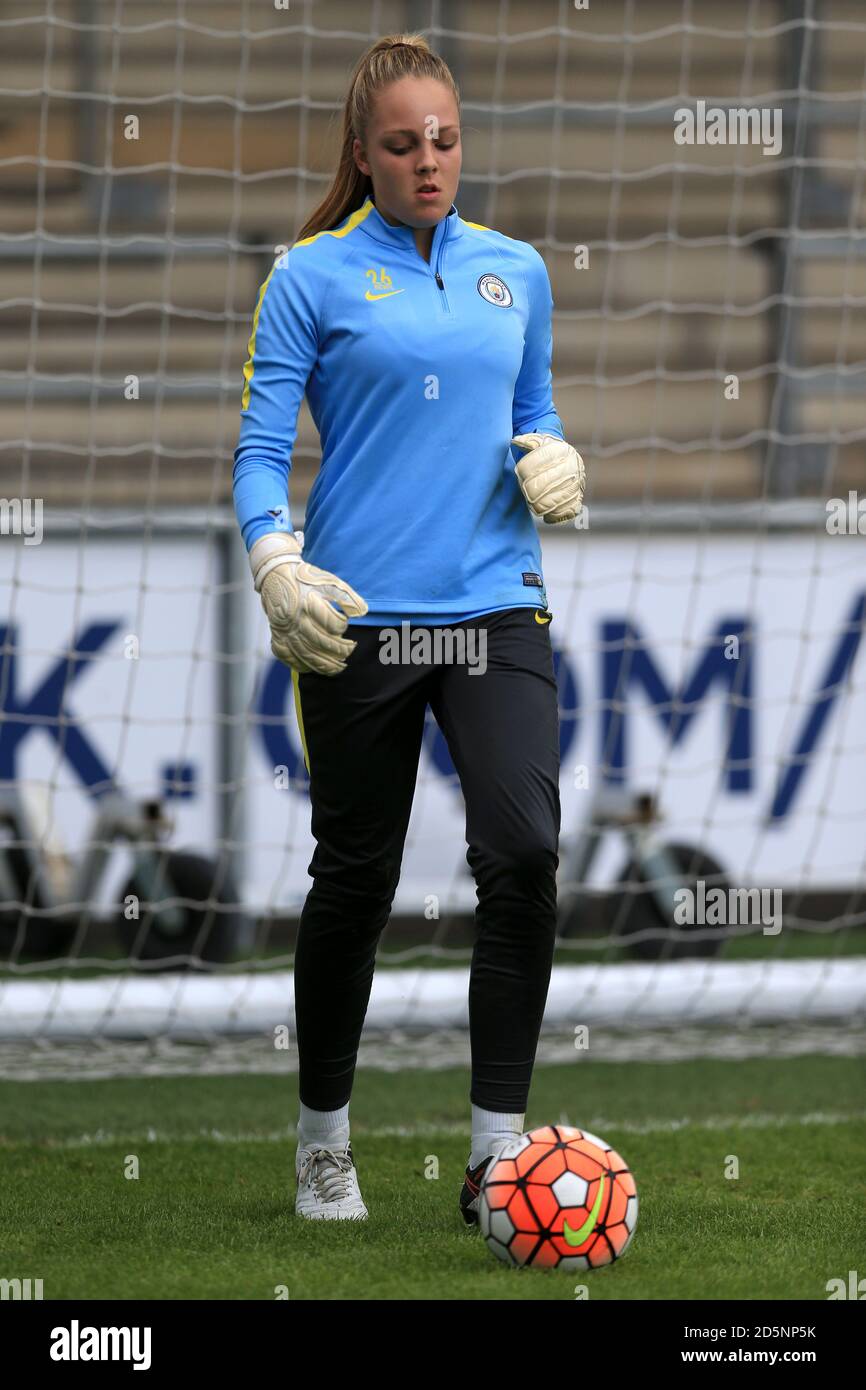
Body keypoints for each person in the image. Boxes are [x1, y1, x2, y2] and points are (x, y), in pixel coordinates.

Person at [232, 33, 585, 1223]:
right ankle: (322, 1144)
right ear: (361, 152)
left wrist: (554, 453)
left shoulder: (515, 271)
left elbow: (529, 407)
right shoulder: (309, 277)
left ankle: (497, 1157)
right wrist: (273, 554)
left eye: (443, 138)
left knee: (524, 853)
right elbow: (257, 446)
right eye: (402, 142)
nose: (428, 159)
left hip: (495, 605)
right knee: (355, 882)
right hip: (359, 619)